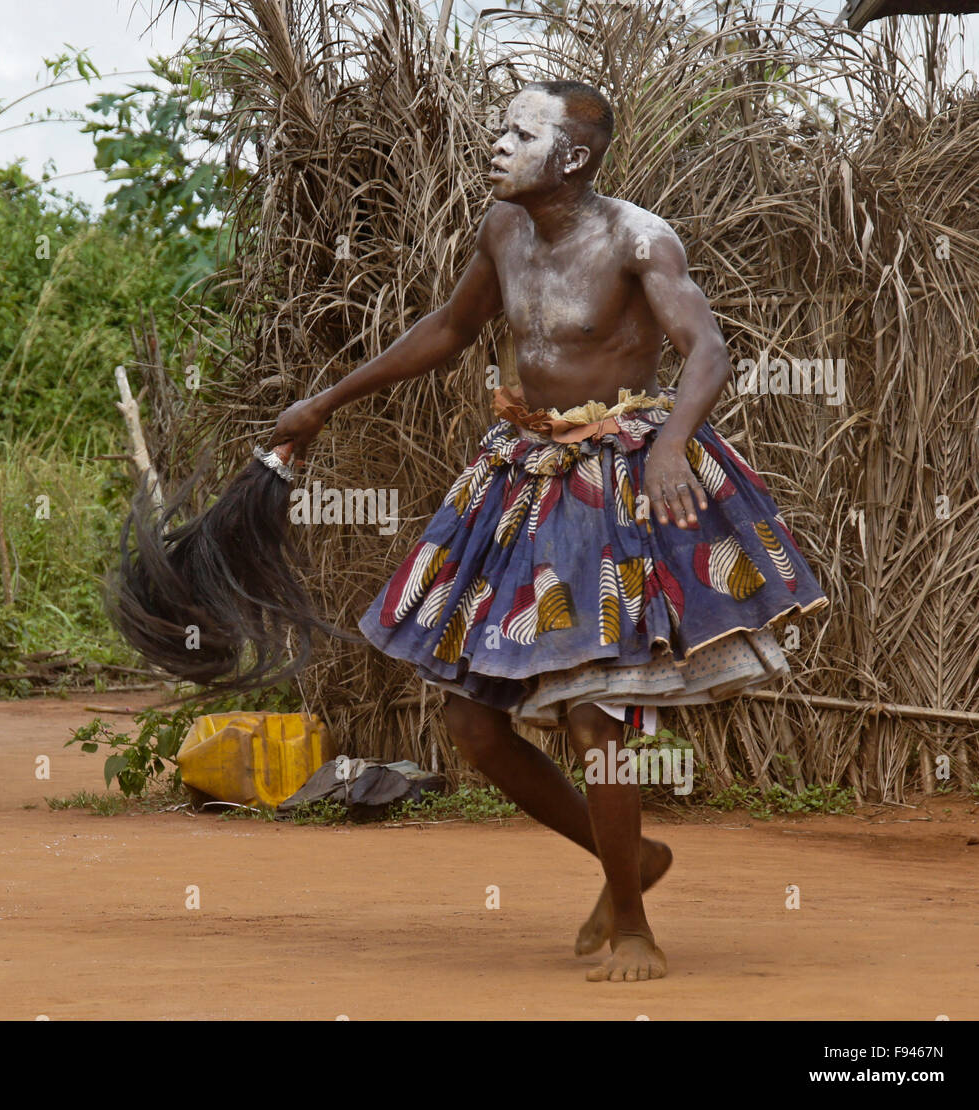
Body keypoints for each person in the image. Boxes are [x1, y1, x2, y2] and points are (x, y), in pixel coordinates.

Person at [271, 80, 828, 981]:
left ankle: (635, 925)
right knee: (473, 726)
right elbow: (452, 329)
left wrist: (672, 446)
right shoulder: (503, 234)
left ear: (571, 158)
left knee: (590, 705)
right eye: (500, 129)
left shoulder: (639, 240)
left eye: (518, 133)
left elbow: (710, 349)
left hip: (616, 481)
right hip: (524, 473)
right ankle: (630, 862)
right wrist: (325, 403)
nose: (496, 144)